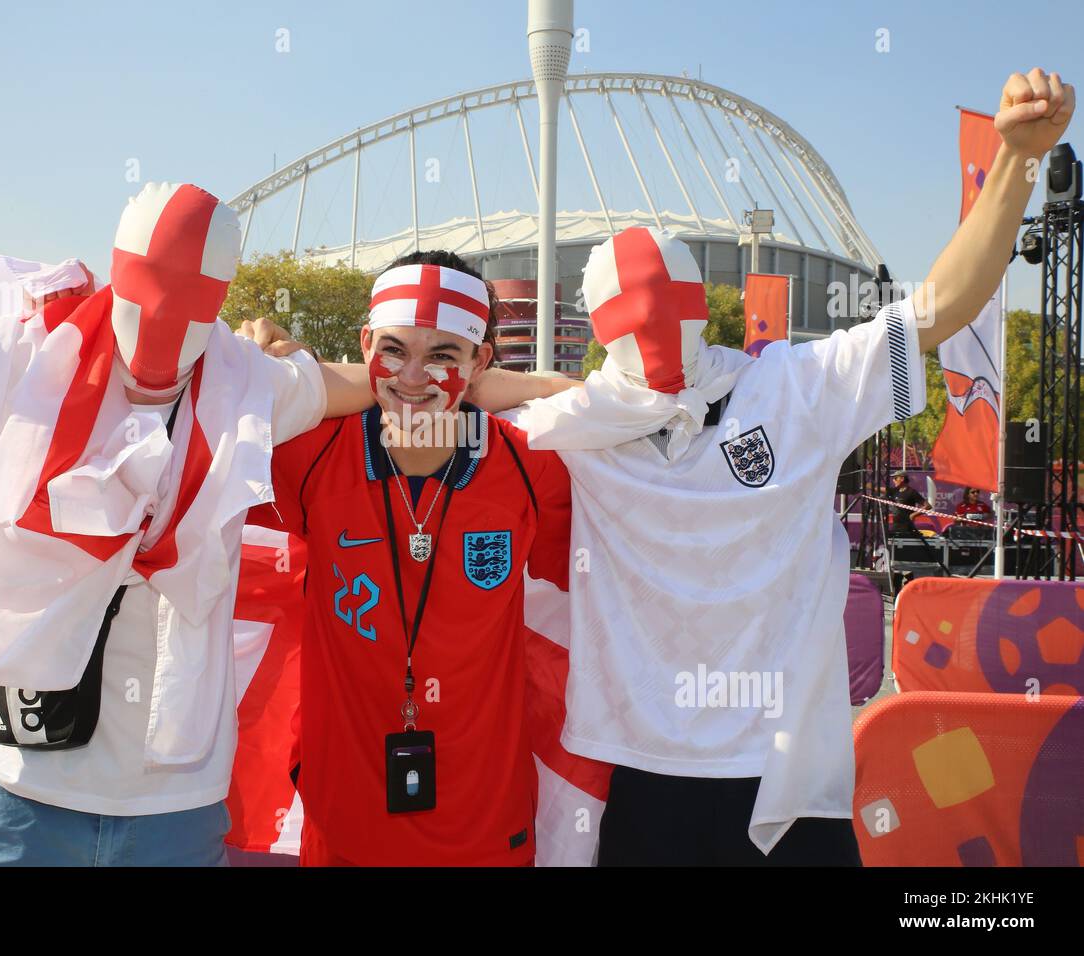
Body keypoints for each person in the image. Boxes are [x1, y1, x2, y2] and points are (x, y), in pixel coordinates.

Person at [419, 67, 1072, 865]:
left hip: (784, 774)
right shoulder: (575, 421)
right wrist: (551, 385)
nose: (654, 335)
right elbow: (436, 385)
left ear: (695, 302)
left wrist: (1016, 162)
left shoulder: (790, 390)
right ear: (600, 332)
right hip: (642, 773)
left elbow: (942, 305)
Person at [0, 2, 373, 867]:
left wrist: (446, 373)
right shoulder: (17, 356)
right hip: (22, 799)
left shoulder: (249, 381)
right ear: (113, 274)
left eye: (193, 310)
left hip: (176, 807)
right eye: (147, 302)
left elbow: (360, 383)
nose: (166, 339)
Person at [245, 251, 573, 866]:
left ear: (481, 361)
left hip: (487, 826)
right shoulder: (304, 452)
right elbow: (194, 411)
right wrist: (260, 363)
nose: (414, 376)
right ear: (365, 343)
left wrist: (557, 388)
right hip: (345, 822)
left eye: (444, 354)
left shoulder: (536, 464)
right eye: (393, 349)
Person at [888, 470, 928, 536]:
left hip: (907, 528)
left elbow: (927, 506)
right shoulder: (894, 491)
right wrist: (866, 485)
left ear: (902, 479)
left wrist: (913, 515)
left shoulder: (911, 492)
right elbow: (878, 489)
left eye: (895, 478)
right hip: (895, 527)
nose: (893, 480)